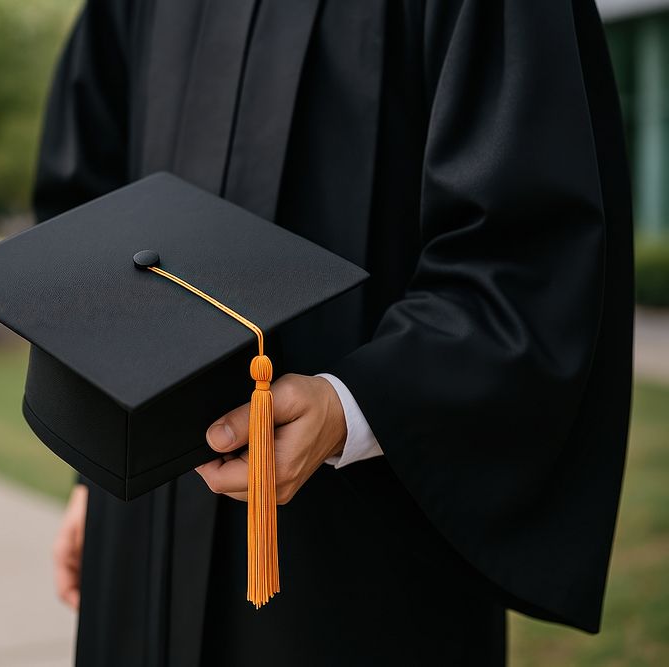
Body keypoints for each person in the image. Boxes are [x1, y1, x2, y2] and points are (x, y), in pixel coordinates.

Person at [38, 0, 634, 665]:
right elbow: (87, 205)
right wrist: (90, 478)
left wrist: (355, 406)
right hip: (143, 518)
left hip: (356, 534)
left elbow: (530, 250)